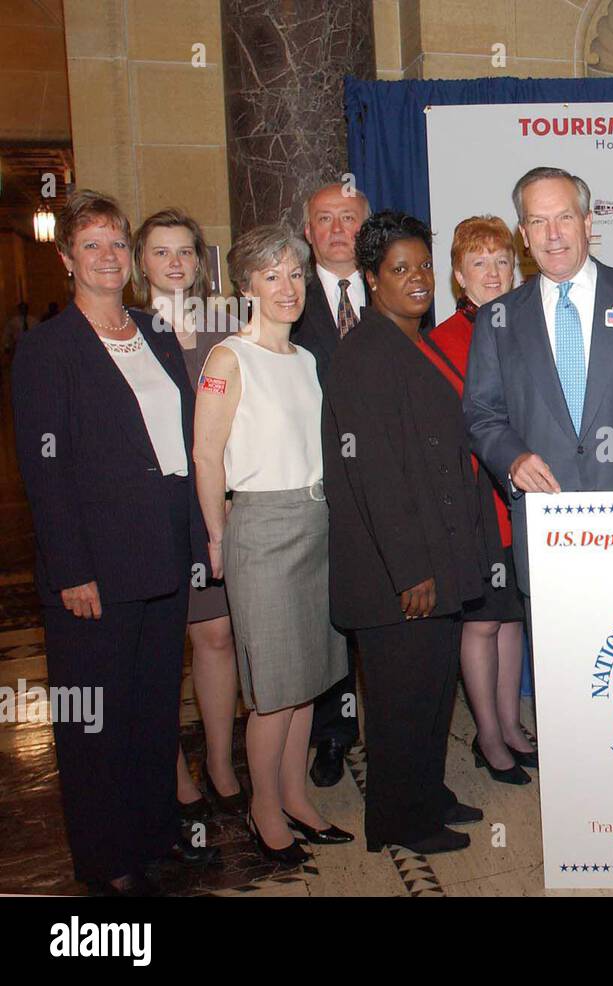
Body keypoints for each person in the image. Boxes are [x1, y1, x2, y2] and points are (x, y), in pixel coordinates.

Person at [12, 189, 218, 895]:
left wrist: (194, 540)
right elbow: (46, 473)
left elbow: (184, 449)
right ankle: (107, 860)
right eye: (91, 245)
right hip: (95, 565)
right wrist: (71, 569)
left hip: (163, 546)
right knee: (96, 722)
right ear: (68, 256)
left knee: (156, 708)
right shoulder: (49, 350)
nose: (107, 257)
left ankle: (154, 831)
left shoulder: (154, 332)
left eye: (116, 243)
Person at [324, 211, 498, 854]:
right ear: (371, 279)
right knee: (399, 704)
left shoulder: (409, 344)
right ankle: (399, 821)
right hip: (396, 577)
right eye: (399, 269)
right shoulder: (364, 354)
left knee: (430, 694)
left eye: (423, 266)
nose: (418, 279)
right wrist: (411, 571)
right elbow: (377, 476)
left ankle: (426, 794)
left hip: (434, 560)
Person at [193, 224, 351, 865]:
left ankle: (296, 796)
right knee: (273, 688)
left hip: (316, 524)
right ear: (246, 286)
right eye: (271, 276)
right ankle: (264, 808)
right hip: (261, 529)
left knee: (309, 676)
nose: (287, 288)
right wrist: (218, 536)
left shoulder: (307, 359)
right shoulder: (227, 358)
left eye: (295, 274)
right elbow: (206, 455)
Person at [464, 165, 613, 599]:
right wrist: (512, 460)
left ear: (588, 223)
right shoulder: (498, 320)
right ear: (524, 234)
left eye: (565, 218)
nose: (553, 234)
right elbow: (482, 414)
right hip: (546, 534)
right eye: (538, 221)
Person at [132, 208, 245, 822]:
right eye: (160, 252)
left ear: (200, 263)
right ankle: (173, 770)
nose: (174, 263)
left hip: (212, 498)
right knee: (157, 645)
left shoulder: (223, 330)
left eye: (184, 252)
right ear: (139, 262)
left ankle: (222, 762)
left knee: (216, 633)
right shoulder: (125, 330)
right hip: (147, 507)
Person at [428, 216, 534, 784]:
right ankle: (487, 736)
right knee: (482, 625)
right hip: (474, 506)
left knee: (513, 617)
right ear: (458, 276)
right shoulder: (441, 342)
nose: (493, 273)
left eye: (501, 262)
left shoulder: (528, 325)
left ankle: (512, 724)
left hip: (529, 502)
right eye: (479, 264)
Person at [292, 181, 369, 788]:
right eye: (326, 219)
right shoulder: (286, 299)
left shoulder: (400, 285)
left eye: (349, 217)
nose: (339, 229)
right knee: (326, 614)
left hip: (388, 482)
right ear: (309, 231)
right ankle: (333, 733)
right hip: (314, 481)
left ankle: (396, 729)